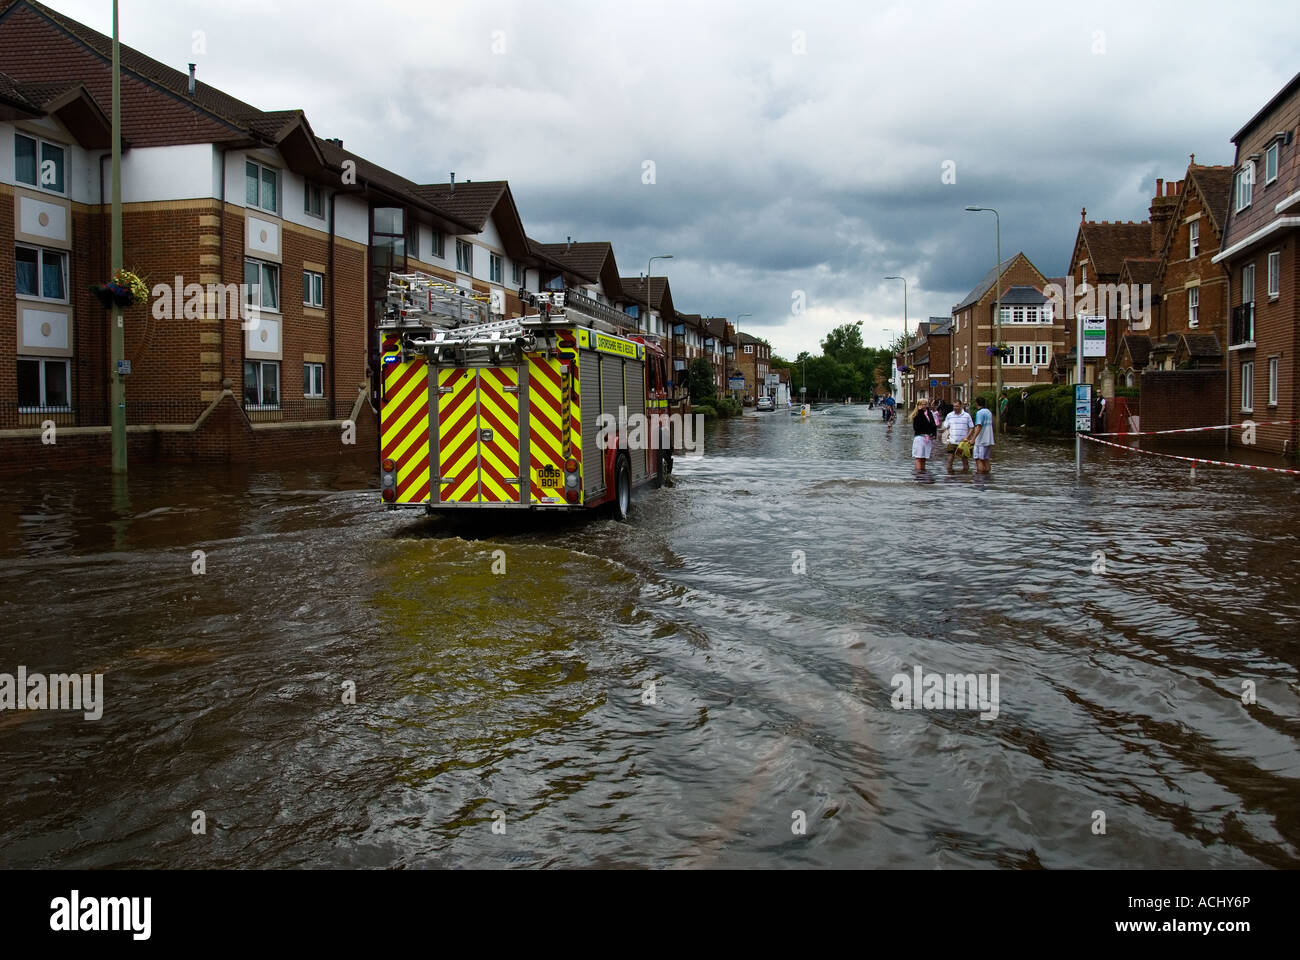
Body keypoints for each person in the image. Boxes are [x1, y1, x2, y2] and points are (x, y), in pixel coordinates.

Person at [942, 399, 975, 473]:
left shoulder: (967, 416)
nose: (955, 408)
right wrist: (946, 434)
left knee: (964, 459)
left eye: (957, 406)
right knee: (950, 458)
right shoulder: (949, 415)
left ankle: (965, 474)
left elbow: (972, 428)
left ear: (961, 406)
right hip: (952, 440)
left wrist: (967, 437)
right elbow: (945, 427)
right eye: (954, 406)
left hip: (963, 442)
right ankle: (949, 475)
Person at [970, 396, 994, 474]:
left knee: (978, 459)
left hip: (981, 440)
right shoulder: (989, 412)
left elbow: (979, 427)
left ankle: (980, 478)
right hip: (989, 439)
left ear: (976, 403)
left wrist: (973, 439)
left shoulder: (979, 413)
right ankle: (987, 477)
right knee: (986, 459)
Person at [911, 400, 937, 470]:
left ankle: (923, 472)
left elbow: (933, 424)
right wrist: (920, 412)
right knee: (919, 457)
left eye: (925, 404)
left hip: (928, 438)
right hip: (920, 438)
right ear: (918, 405)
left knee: (924, 457)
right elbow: (917, 427)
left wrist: (934, 434)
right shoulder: (917, 414)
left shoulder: (929, 413)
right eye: (922, 404)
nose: (924, 406)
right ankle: (919, 474)